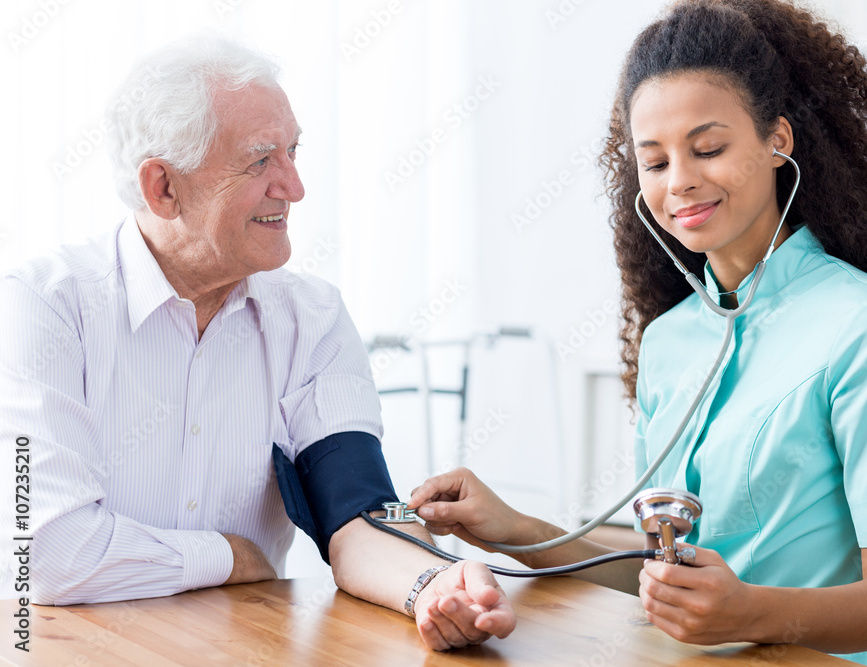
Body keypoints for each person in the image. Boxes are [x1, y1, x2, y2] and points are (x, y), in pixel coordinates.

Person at [407, 1, 867, 664]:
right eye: (654, 162)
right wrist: (514, 530)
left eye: (708, 148)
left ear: (777, 141)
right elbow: (663, 581)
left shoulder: (865, 327)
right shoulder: (669, 340)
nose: (680, 181)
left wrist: (752, 611)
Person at [0, 37, 514, 652]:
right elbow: (46, 553)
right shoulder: (42, 305)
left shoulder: (313, 318)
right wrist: (225, 556)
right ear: (163, 186)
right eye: (260, 161)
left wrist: (432, 584)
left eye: (293, 152)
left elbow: (358, 512)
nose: (294, 187)